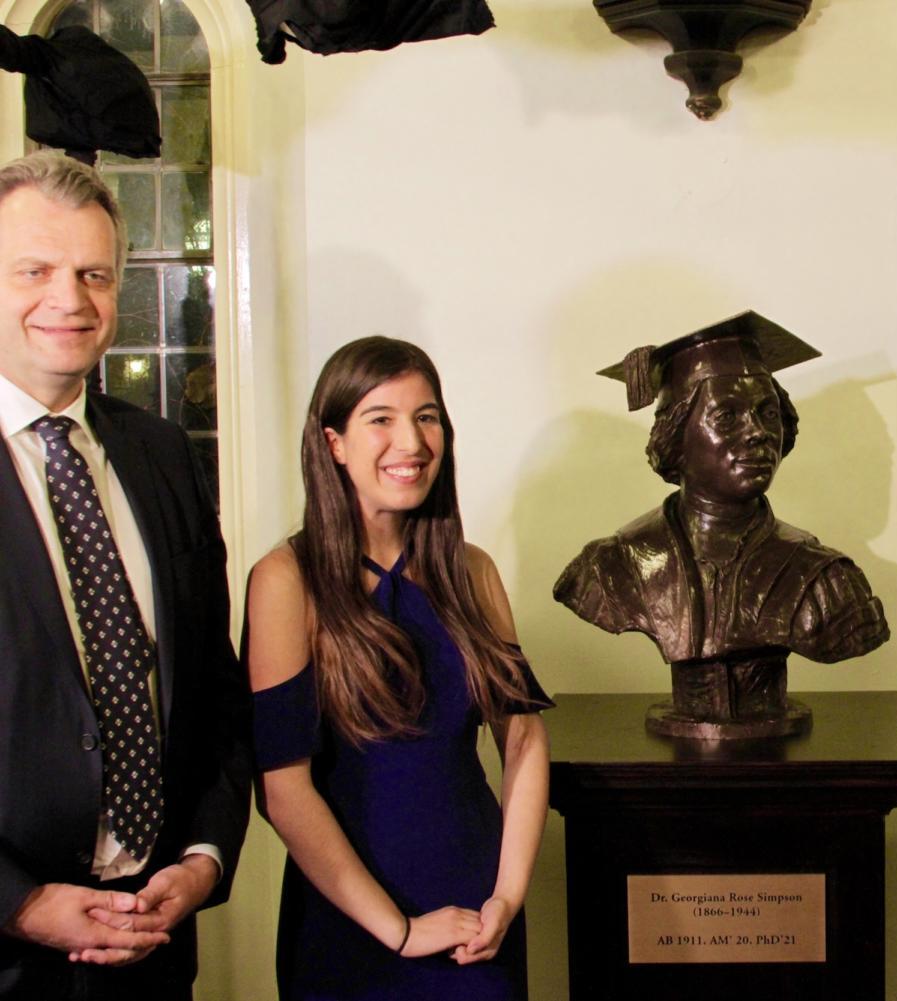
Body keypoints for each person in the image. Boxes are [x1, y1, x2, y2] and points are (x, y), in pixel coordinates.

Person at [0, 149, 250, 999]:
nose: (69, 299)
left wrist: (204, 857)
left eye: (93, 273)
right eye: (34, 270)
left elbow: (215, 690)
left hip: (154, 945)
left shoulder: (163, 455)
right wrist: (19, 903)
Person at [245, 336, 552, 1000]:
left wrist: (506, 896)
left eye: (427, 416)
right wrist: (399, 929)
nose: (411, 441)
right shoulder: (285, 580)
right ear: (333, 443)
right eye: (380, 418)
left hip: (479, 912)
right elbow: (283, 790)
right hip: (351, 914)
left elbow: (524, 740)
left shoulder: (472, 571)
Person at [555, 311, 888, 734]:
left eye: (768, 414)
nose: (757, 432)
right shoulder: (608, 568)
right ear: (676, 438)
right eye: (727, 417)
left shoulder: (828, 580)